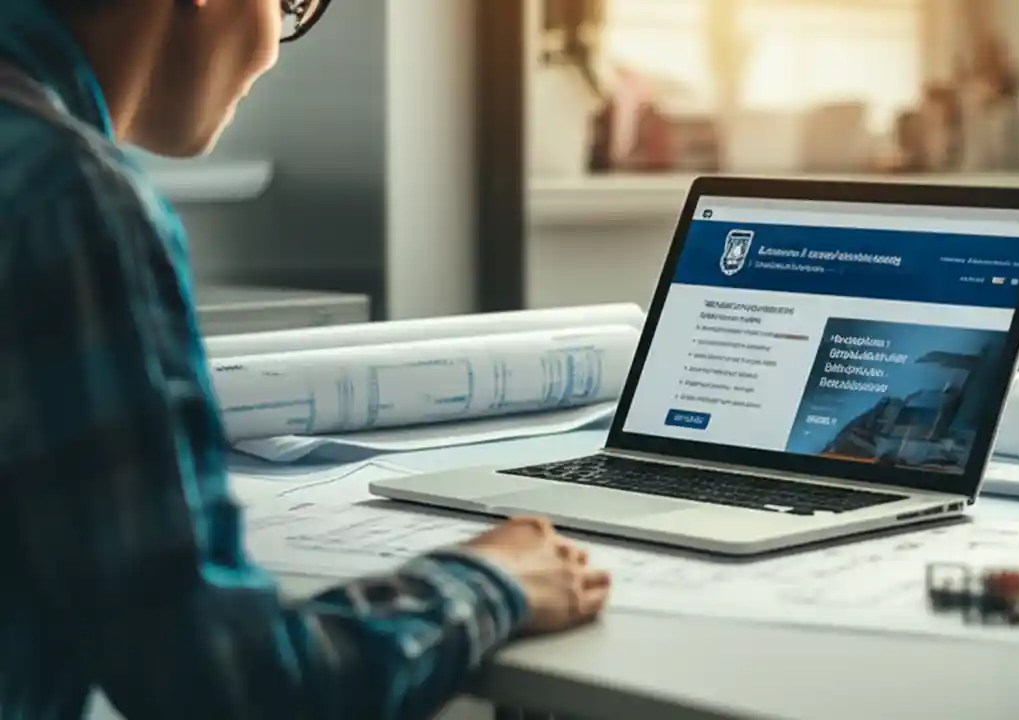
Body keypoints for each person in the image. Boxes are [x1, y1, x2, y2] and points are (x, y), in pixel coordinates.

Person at [0, 0, 611, 717]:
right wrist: (491, 581)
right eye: (289, 5)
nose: (272, 51)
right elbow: (228, 685)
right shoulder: (68, 199)